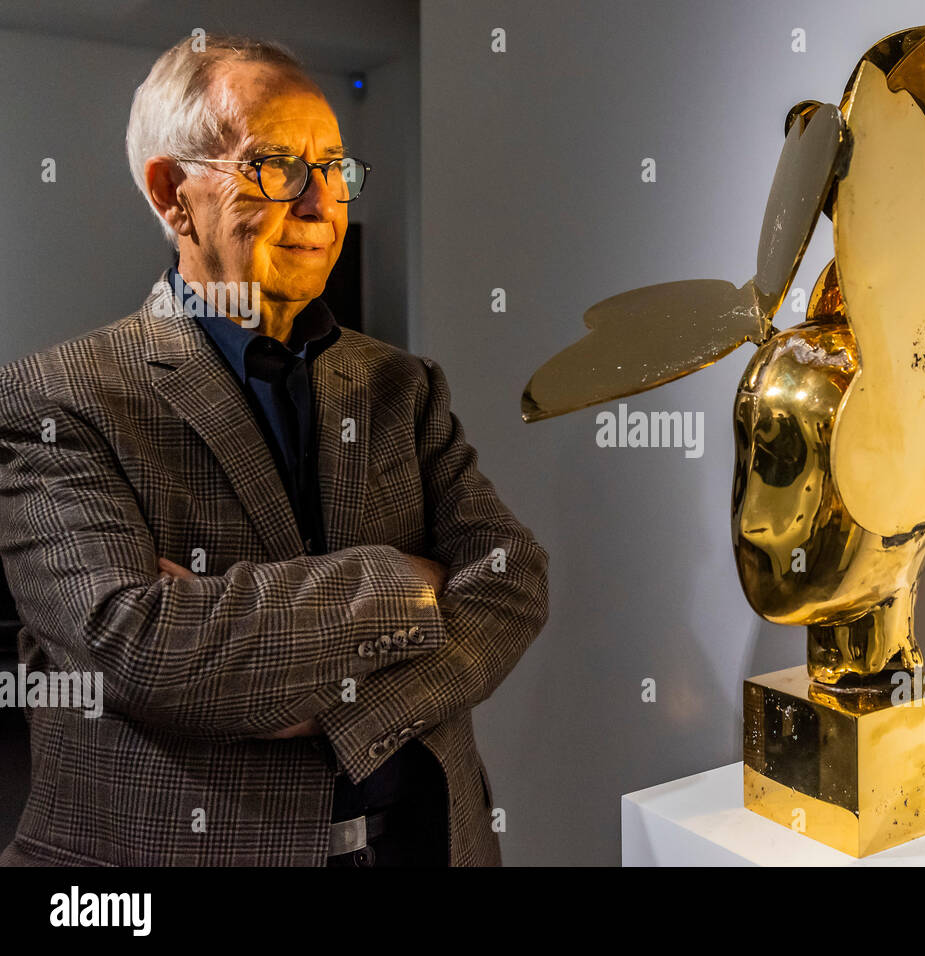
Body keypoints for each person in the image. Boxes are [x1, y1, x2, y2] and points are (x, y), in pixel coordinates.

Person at [0, 34, 548, 866]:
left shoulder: (402, 385)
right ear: (172, 193)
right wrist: (404, 581)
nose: (321, 203)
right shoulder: (55, 398)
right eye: (276, 166)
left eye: (334, 169)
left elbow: (512, 581)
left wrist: (343, 709)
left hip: (422, 844)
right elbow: (140, 645)